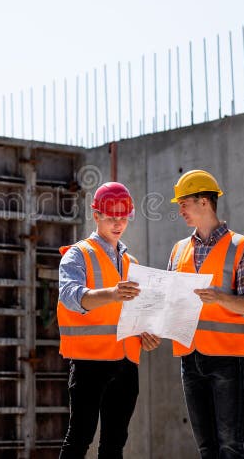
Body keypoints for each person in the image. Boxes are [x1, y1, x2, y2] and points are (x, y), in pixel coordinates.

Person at [57, 181, 161, 459]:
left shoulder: (132, 263)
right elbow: (70, 296)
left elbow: (136, 314)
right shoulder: (78, 254)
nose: (118, 223)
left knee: (114, 445)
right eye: (111, 217)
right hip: (91, 361)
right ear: (97, 216)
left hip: (127, 363)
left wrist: (146, 336)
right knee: (79, 439)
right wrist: (112, 293)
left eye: (123, 217)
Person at [167, 169, 244, 459]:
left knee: (230, 447)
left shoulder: (240, 246)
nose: (180, 209)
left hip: (225, 357)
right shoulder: (178, 250)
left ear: (205, 201)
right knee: (206, 449)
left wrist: (220, 298)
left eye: (185, 202)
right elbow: (170, 302)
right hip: (189, 357)